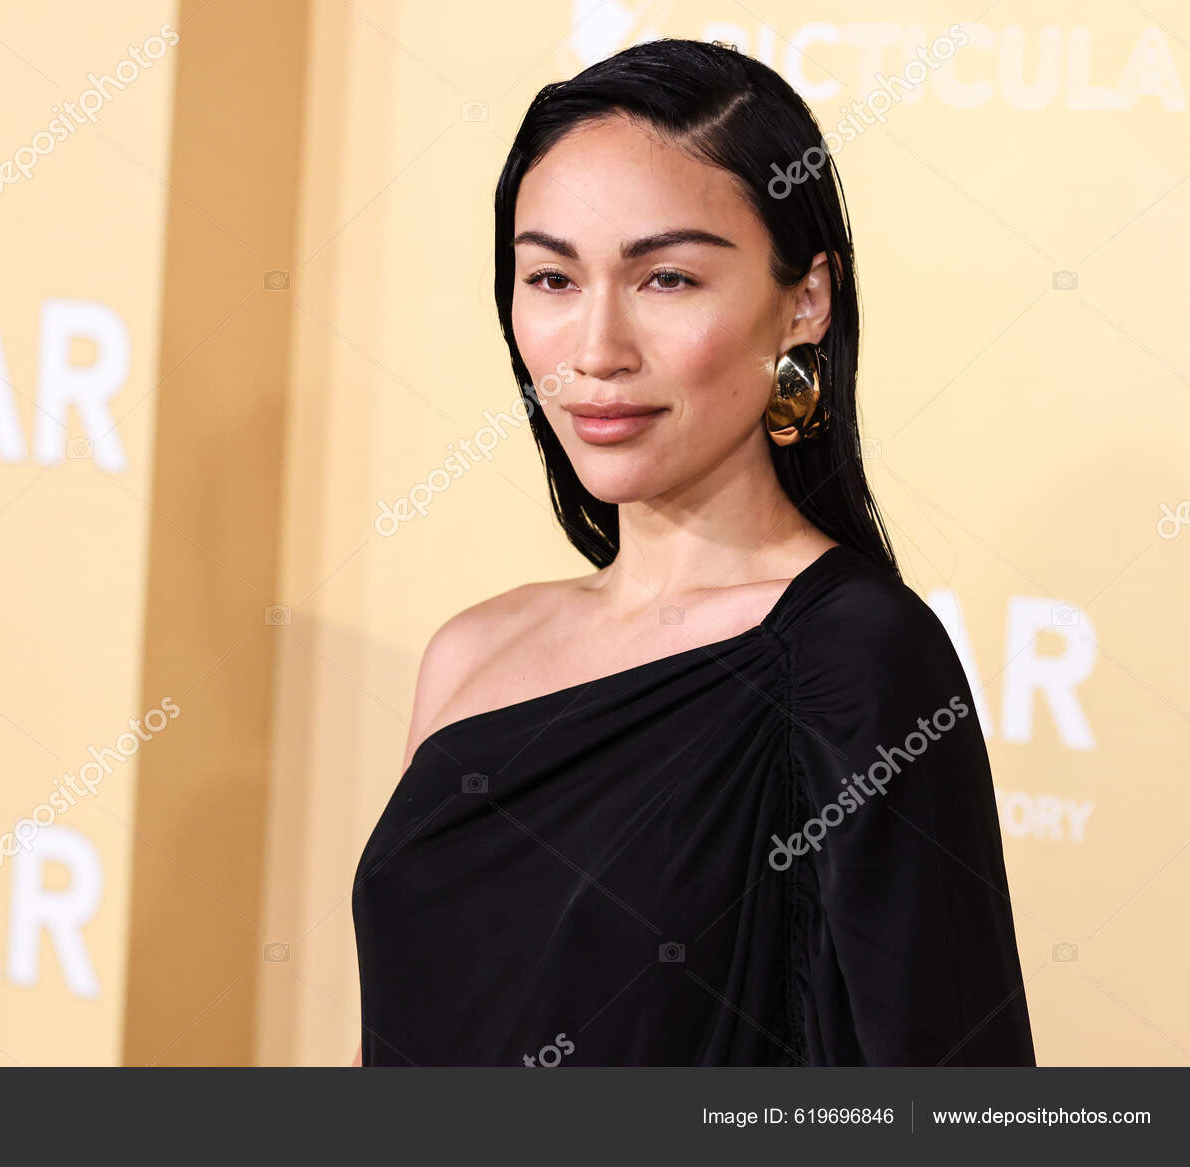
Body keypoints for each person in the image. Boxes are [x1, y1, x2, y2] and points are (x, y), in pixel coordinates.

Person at [349, 39, 1034, 1067]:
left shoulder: (857, 660)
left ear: (804, 301)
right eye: (549, 276)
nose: (594, 350)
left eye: (665, 278)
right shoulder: (470, 656)